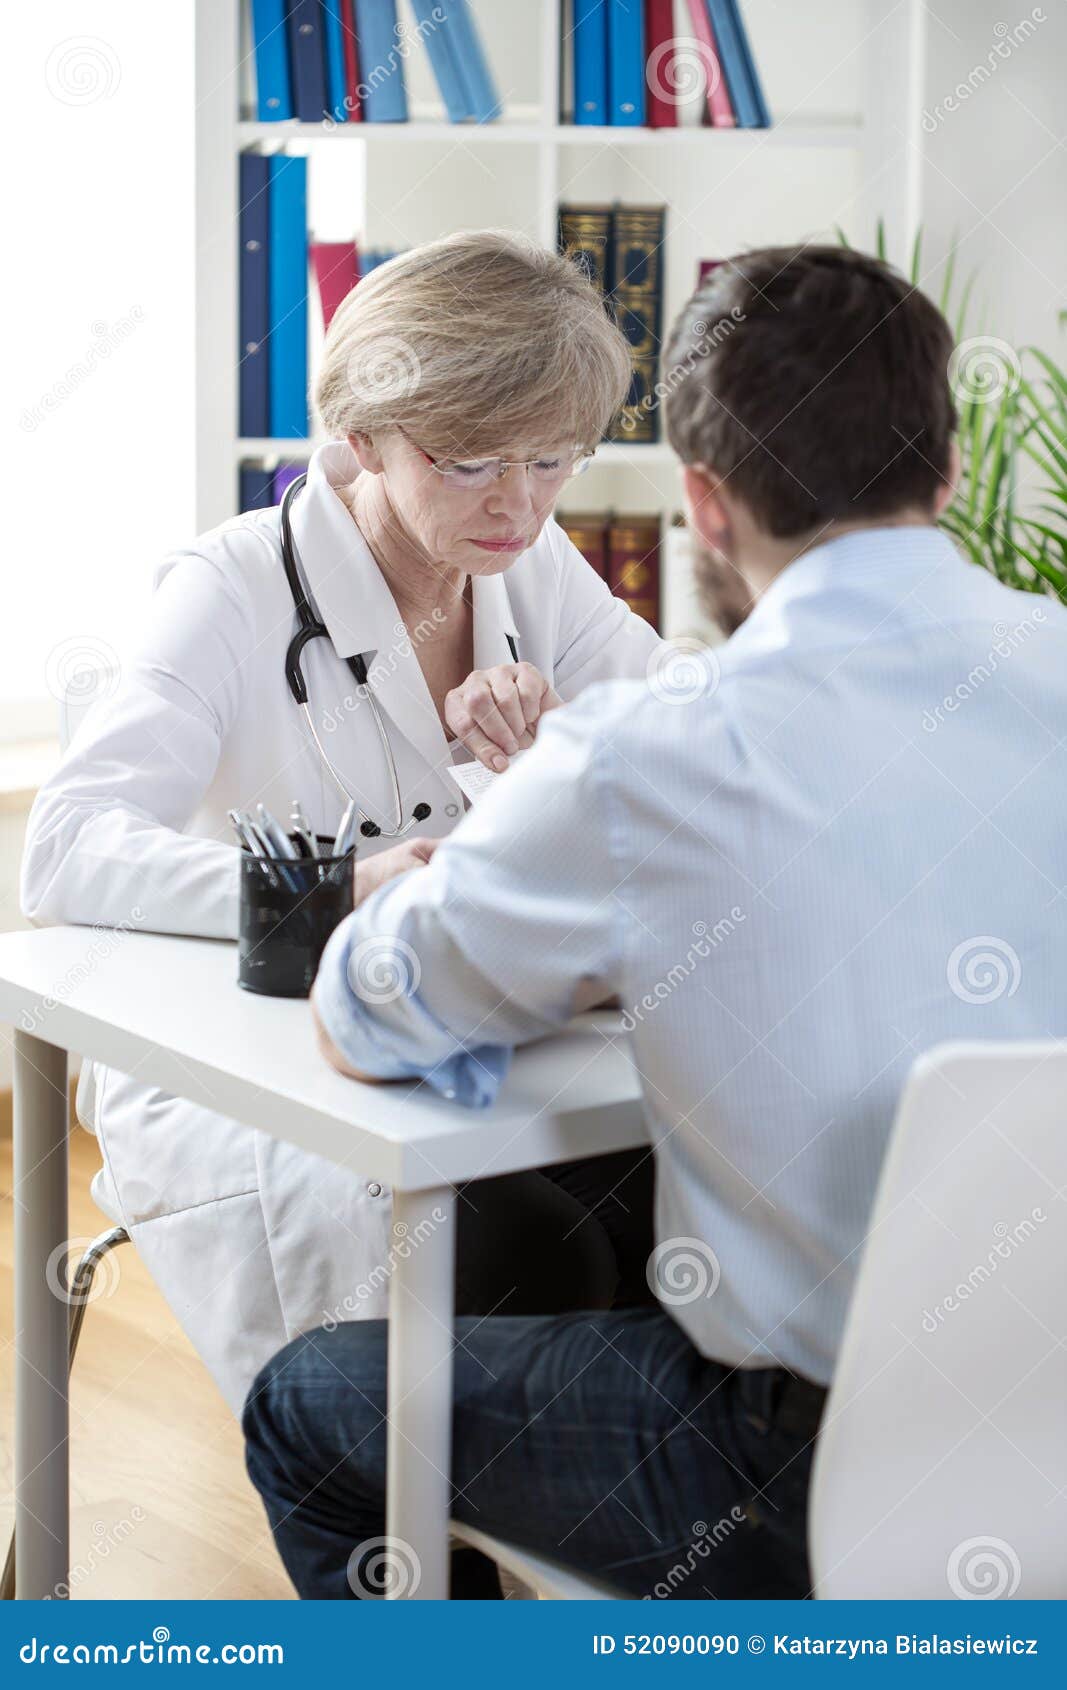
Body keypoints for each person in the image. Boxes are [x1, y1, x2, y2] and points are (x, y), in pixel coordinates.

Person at [242, 244, 1067, 1600]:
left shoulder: (655, 753)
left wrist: (461, 895)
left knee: (310, 1403)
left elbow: (366, 1011)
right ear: (949, 469)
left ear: (700, 500)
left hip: (803, 1470)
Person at [19, 230, 664, 1418]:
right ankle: (419, 1566)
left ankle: (587, 1559)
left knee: (655, 1193)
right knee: (519, 1246)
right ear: (360, 436)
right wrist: (329, 890)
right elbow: (65, 847)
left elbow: (684, 760)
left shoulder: (530, 563)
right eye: (470, 461)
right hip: (232, 1046)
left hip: (465, 1024)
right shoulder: (229, 586)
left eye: (552, 459)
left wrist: (565, 747)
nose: (518, 504)